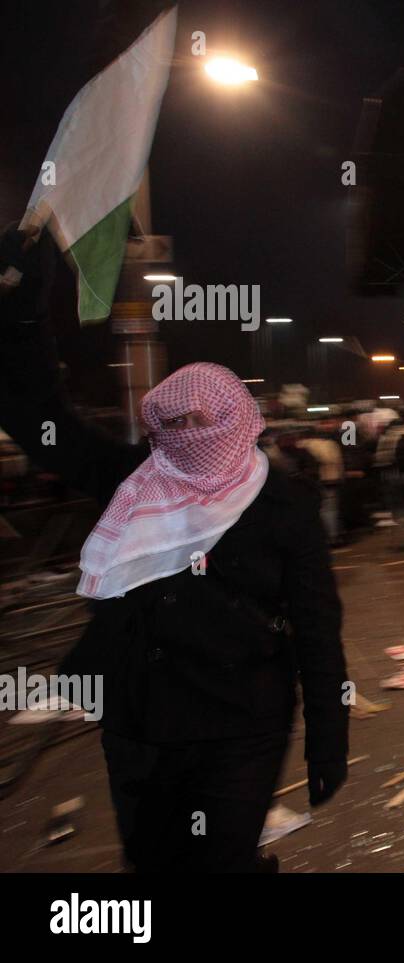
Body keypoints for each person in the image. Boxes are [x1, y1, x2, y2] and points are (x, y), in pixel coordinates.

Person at [0, 224, 350, 872]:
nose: (190, 435)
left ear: (238, 420)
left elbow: (318, 628)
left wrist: (329, 740)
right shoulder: (131, 480)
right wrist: (23, 307)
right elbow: (41, 422)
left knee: (219, 858)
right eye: (175, 422)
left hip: (240, 728)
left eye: (205, 420)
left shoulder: (283, 504)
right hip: (141, 727)